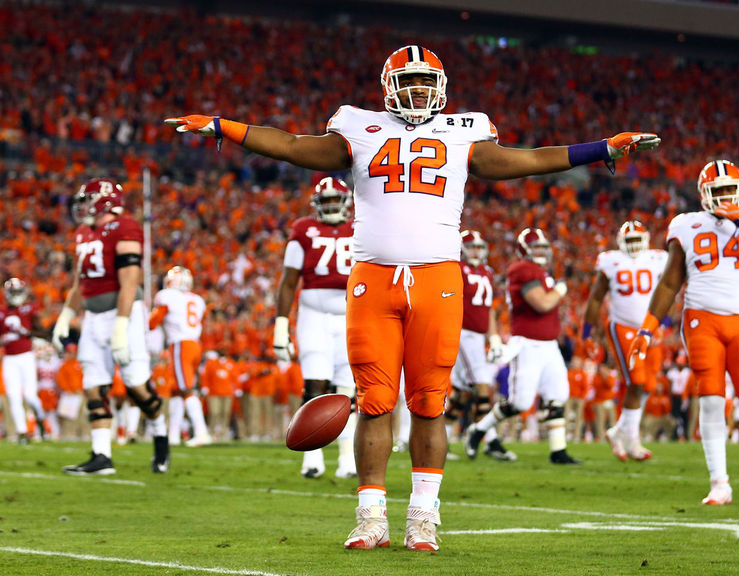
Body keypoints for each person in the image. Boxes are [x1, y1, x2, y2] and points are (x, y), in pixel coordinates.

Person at [166, 44, 659, 551]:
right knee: (375, 402)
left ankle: (424, 516)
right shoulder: (358, 126)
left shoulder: (465, 132)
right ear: (388, 87)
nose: (418, 91)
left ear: (441, 88)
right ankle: (371, 515)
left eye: (426, 83)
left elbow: (529, 159)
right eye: (409, 82)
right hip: (373, 281)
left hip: (439, 280)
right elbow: (293, 145)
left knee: (429, 404)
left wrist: (601, 149)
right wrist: (224, 126)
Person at [628, 160, 739, 505]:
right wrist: (647, 328)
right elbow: (670, 281)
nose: (724, 198)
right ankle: (719, 481)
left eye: (729, 191)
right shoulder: (686, 224)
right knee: (710, 398)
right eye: (717, 191)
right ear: (704, 195)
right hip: (700, 319)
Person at [51, 177, 170, 475]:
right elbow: (81, 282)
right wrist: (66, 316)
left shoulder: (126, 227)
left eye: (87, 199)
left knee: (136, 386)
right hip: (92, 316)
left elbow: (130, 280)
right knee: (93, 384)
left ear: (104, 200)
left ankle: (160, 432)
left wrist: (121, 323)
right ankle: (102, 456)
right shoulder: (82, 232)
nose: (82, 206)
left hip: (124, 313)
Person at [465, 227, 581, 464]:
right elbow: (542, 303)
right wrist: (559, 290)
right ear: (524, 250)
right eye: (536, 247)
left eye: (543, 247)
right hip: (527, 345)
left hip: (549, 346)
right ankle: (479, 429)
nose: (541, 251)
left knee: (558, 395)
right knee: (520, 403)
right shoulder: (522, 269)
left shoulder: (538, 270)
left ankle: (558, 450)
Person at [272, 176, 357, 480]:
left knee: (348, 390)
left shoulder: (360, 229)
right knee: (314, 386)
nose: (332, 206)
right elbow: (289, 279)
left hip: (351, 314)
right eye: (327, 201)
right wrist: (281, 325)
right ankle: (311, 455)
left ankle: (348, 456)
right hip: (314, 314)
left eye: (336, 200)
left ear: (346, 203)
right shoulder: (304, 229)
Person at [582, 220, 668, 461]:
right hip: (622, 327)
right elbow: (596, 299)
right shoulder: (611, 261)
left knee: (648, 385)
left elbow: (667, 291)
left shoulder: (657, 259)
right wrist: (587, 332)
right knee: (636, 381)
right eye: (628, 241)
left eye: (636, 240)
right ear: (621, 243)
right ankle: (632, 440)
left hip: (649, 328)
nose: (632, 246)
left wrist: (665, 322)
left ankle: (619, 432)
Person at [447, 230, 514, 461]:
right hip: (462, 333)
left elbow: (489, 311)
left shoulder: (487, 271)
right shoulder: (456, 269)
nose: (476, 251)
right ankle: (490, 439)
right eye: (471, 246)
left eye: (478, 246)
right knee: (482, 385)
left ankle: (442, 438)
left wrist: (493, 338)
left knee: (463, 393)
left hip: (478, 336)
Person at [149, 265, 212, 447]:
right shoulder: (198, 300)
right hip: (194, 344)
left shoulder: (168, 296)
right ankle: (174, 434)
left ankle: (201, 432)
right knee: (176, 390)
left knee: (185, 389)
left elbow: (154, 322)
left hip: (180, 344)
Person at [0, 278, 49, 442]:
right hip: (9, 358)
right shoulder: (2, 312)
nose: (15, 295)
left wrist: (26, 332)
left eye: (17, 292)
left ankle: (41, 420)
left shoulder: (29, 309)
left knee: (29, 395)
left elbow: (43, 332)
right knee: (13, 396)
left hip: (26, 356)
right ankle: (22, 432)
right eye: (12, 292)